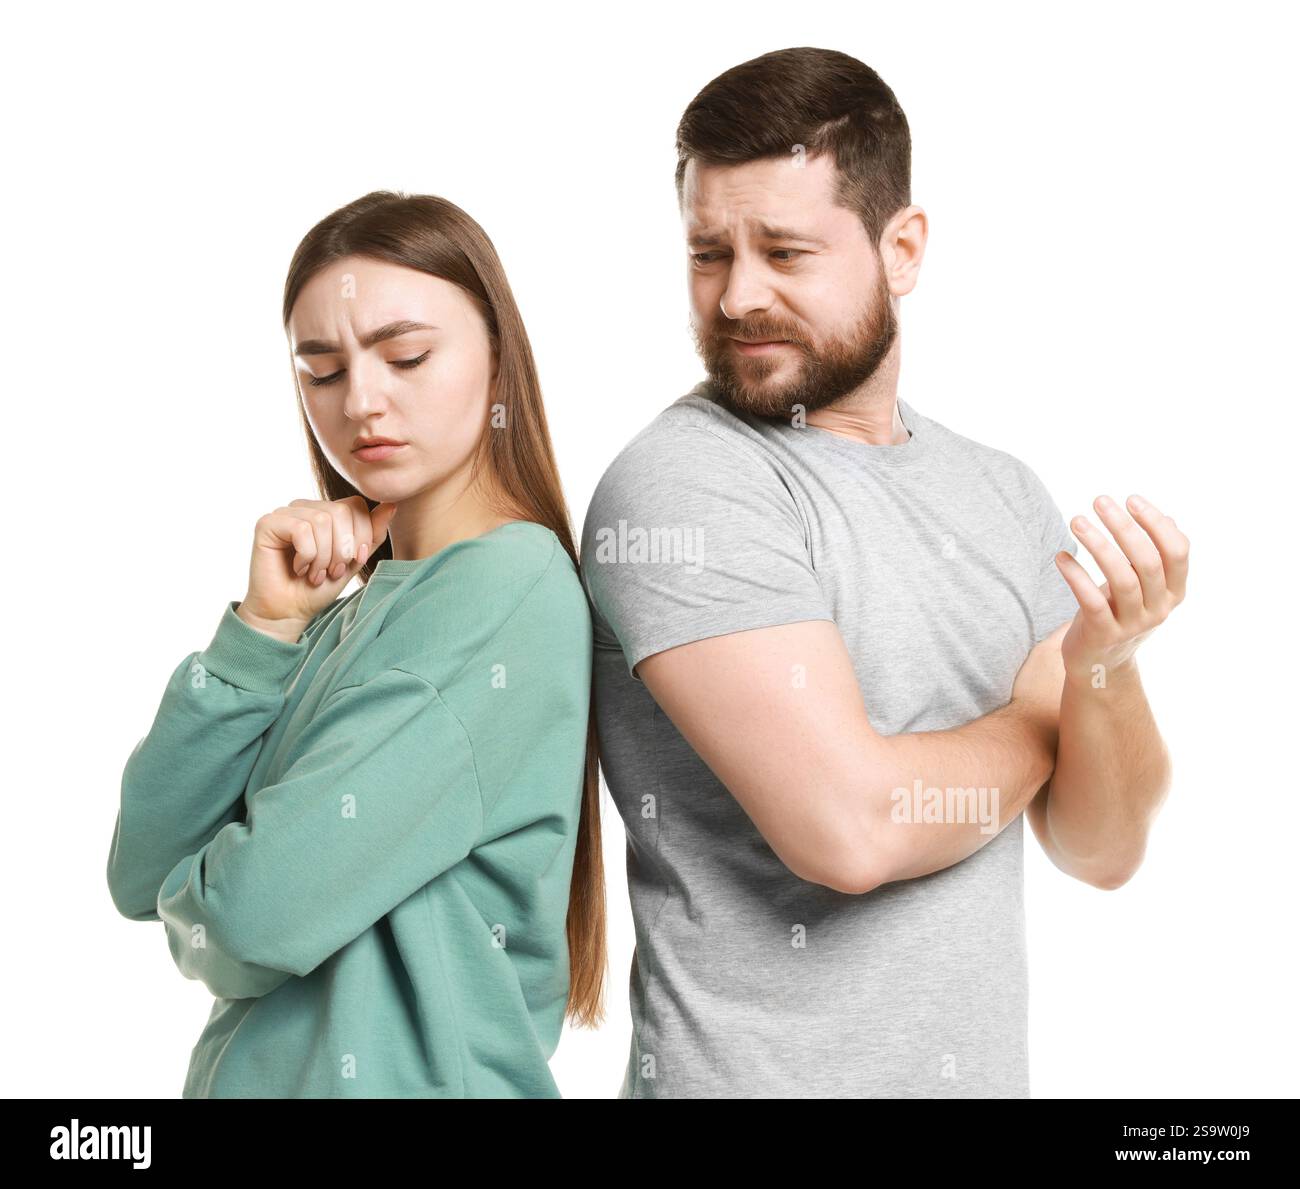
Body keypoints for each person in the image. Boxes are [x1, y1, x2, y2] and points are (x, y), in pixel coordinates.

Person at [580, 47, 1188, 1098]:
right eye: (707, 253)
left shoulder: (1000, 493)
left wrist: (1103, 667)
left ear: (901, 247)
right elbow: (852, 831)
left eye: (783, 251)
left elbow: (1101, 850)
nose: (736, 296)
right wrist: (1035, 728)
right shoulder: (681, 488)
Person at [108, 190, 605, 1098]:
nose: (363, 402)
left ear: (497, 358)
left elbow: (251, 917)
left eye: (406, 354)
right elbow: (140, 868)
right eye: (322, 369)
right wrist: (264, 630)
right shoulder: (350, 607)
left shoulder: (504, 590)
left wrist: (206, 895)